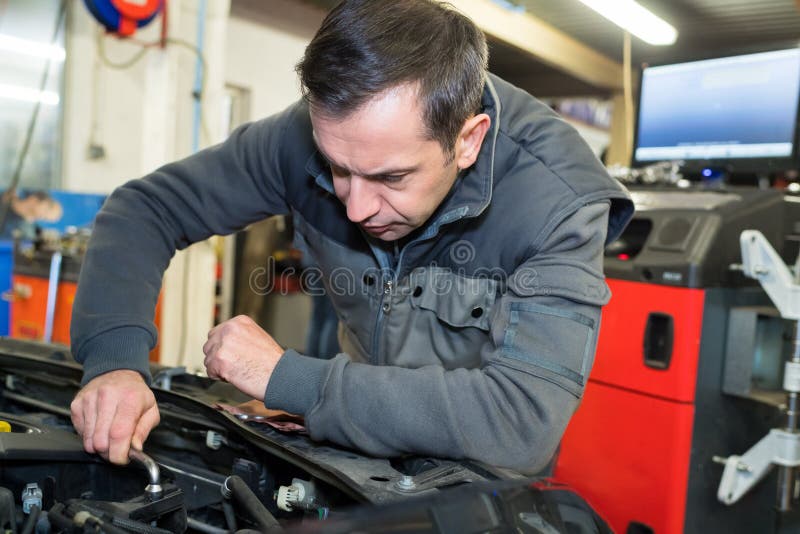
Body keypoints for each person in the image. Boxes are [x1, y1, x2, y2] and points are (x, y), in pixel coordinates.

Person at [69, 0, 633, 473]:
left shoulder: (559, 201)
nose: (357, 207)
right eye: (337, 168)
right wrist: (114, 361)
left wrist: (291, 380)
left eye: (391, 177)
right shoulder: (301, 138)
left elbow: (521, 421)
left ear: (468, 140)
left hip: (475, 483)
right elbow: (146, 208)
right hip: (347, 455)